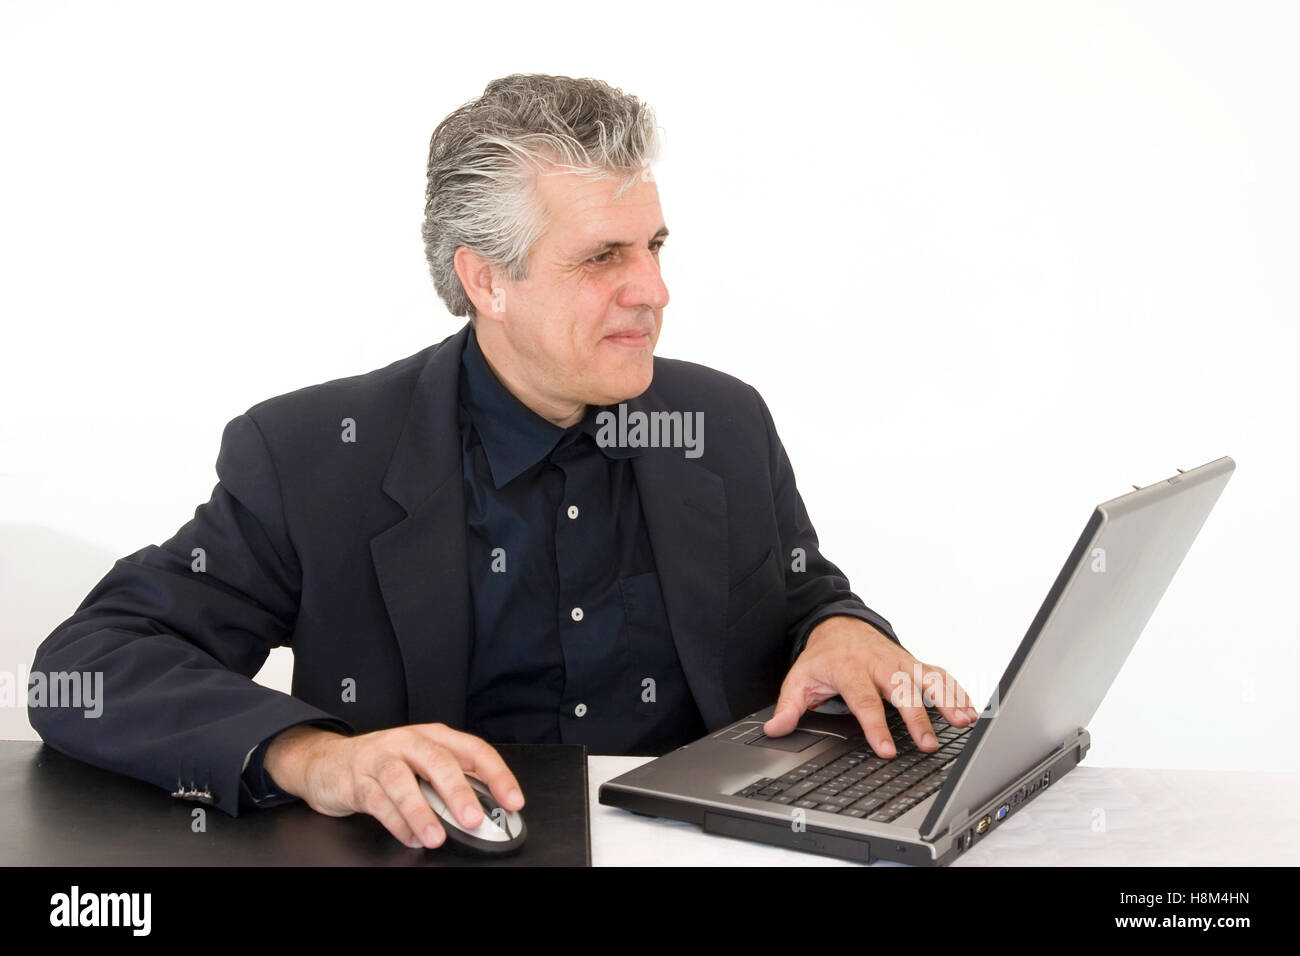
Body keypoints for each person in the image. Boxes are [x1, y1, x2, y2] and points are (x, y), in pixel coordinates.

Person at [29, 73, 978, 851]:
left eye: (652, 246)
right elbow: (90, 667)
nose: (654, 289)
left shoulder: (716, 419)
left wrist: (846, 630)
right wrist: (314, 756)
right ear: (486, 278)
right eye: (603, 257)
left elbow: (803, 598)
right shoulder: (315, 457)